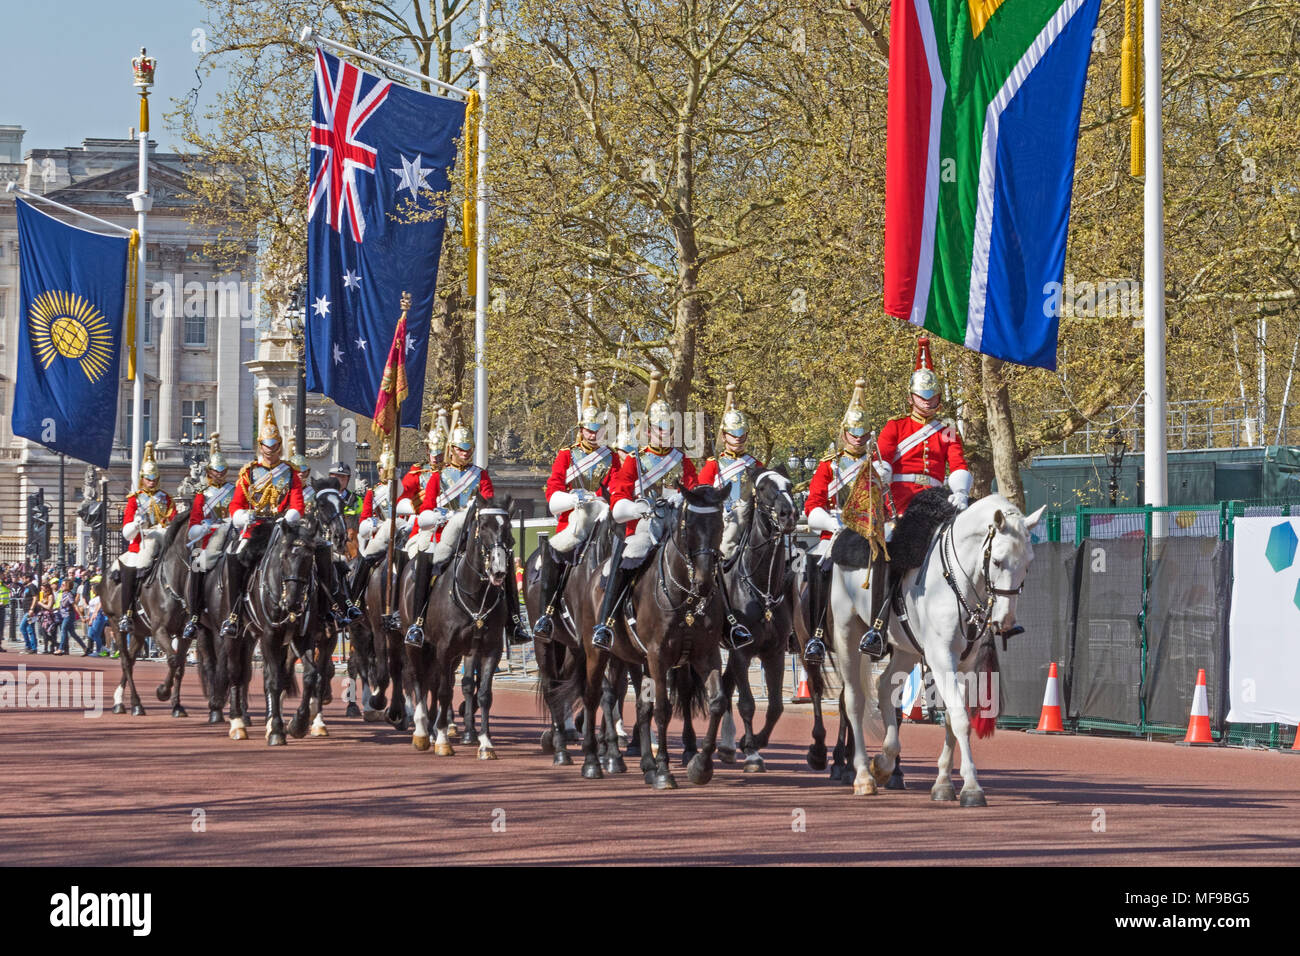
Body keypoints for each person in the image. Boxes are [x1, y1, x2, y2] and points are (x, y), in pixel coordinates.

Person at [860, 336, 973, 654]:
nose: (928, 401)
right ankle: (879, 625)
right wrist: (881, 474)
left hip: (938, 500)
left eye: (933, 396)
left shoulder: (947, 428)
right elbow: (881, 458)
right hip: (901, 502)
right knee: (887, 545)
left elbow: (958, 462)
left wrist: (961, 491)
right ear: (911, 397)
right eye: (923, 396)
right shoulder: (895, 427)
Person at [406, 403, 527, 647]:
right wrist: (439, 515)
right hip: (445, 534)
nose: (466, 453)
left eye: (469, 449)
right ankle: (418, 623)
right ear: (452, 450)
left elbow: (488, 500)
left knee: (503, 560)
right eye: (462, 449)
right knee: (426, 560)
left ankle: (514, 622)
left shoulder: (480, 474)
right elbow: (426, 509)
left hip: (475, 533)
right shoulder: (438, 477)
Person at [595, 372, 699, 650]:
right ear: (648, 430)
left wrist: (682, 500)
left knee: (708, 560)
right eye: (659, 429)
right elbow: (618, 501)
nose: (664, 435)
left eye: (668, 430)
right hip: (645, 528)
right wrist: (638, 507)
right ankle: (606, 622)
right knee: (629, 556)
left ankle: (726, 624)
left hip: (677, 526)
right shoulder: (633, 461)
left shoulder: (682, 460)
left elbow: (694, 491)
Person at [533, 373, 619, 640]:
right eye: (589, 430)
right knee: (554, 551)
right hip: (573, 523)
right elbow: (553, 491)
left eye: (598, 430)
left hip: (603, 518)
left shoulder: (612, 456)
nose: (594, 435)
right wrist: (573, 499)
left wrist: (607, 500)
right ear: (581, 429)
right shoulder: (566, 455)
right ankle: (547, 614)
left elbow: (617, 487)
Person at [803, 378, 874, 661]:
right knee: (819, 567)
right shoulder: (828, 465)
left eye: (863, 432)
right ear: (844, 433)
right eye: (853, 432)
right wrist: (833, 524)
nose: (858, 437)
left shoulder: (876, 465)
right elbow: (813, 505)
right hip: (833, 534)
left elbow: (886, 506)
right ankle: (818, 634)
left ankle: (880, 627)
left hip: (868, 534)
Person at [222, 404, 307, 637]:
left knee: (314, 553)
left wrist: (289, 516)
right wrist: (242, 515)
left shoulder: (290, 473)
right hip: (256, 530)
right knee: (234, 558)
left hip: (284, 530)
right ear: (260, 445)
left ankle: (330, 609)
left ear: (279, 445)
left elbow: (298, 503)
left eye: (274, 445)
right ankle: (234, 613)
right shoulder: (249, 473)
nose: (270, 450)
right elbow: (236, 504)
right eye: (266, 445)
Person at [118, 442, 177, 633]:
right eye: (148, 479)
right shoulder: (134, 499)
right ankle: (127, 613)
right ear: (143, 479)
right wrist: (136, 525)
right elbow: (126, 531)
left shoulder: (166, 498)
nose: (152, 482)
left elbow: (173, 520)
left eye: (155, 478)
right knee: (131, 568)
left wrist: (165, 527)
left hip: (162, 542)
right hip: (140, 543)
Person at [182, 434, 235, 639]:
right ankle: (194, 616)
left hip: (230, 537)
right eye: (215, 471)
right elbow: (193, 525)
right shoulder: (201, 495)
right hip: (207, 542)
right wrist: (203, 527)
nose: (219, 474)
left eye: (222, 471)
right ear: (209, 472)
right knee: (196, 565)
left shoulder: (234, 490)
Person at [696, 383, 764, 516]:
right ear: (724, 436)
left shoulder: (755, 464)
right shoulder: (714, 464)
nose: (738, 438)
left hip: (748, 517)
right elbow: (701, 495)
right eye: (733, 434)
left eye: (741, 434)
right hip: (721, 518)